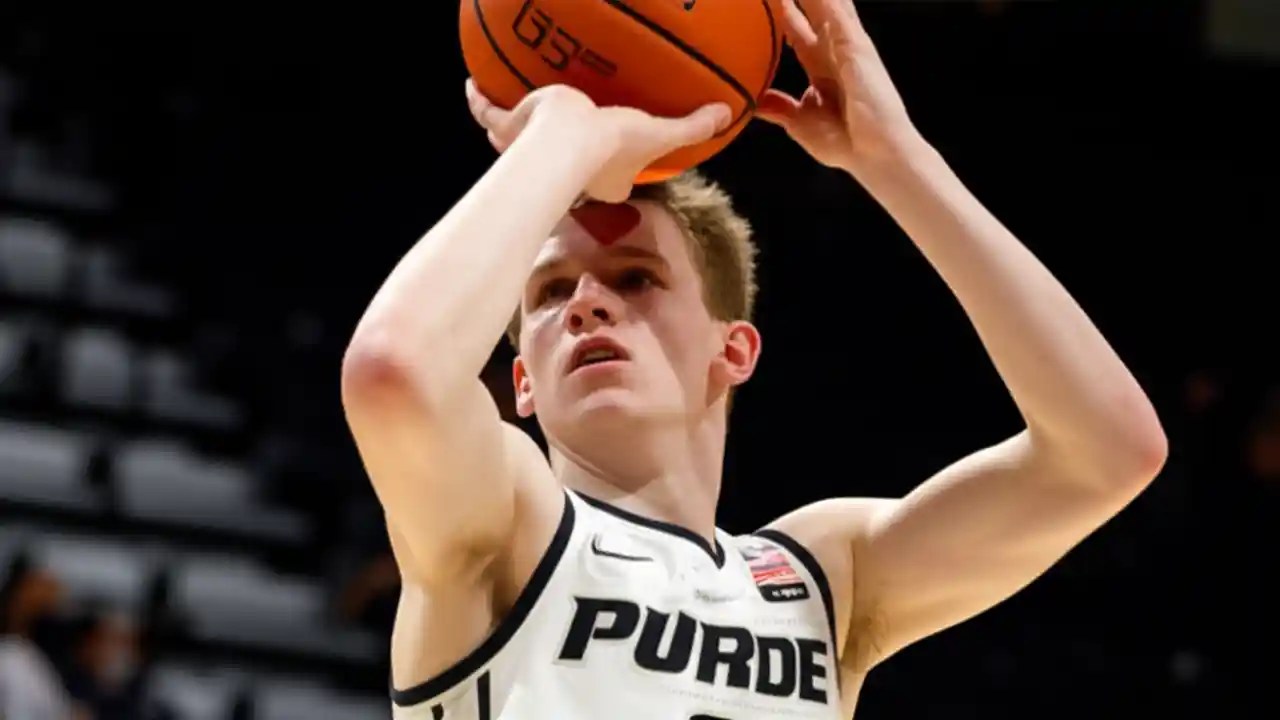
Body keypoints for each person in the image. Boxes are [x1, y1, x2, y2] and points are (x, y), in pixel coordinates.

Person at [339, 0, 1168, 717]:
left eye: (636, 279)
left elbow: (1107, 453)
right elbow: (393, 374)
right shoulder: (503, 526)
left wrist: (897, 160)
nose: (589, 302)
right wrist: (566, 132)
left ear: (732, 350)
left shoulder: (822, 578)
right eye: (552, 293)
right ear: (520, 383)